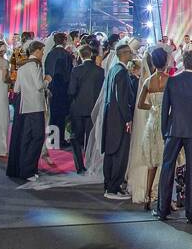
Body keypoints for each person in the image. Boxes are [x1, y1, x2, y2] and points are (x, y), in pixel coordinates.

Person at [156, 49, 192, 223]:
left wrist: (165, 131)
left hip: (174, 130)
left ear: (183, 62)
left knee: (167, 168)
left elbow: (165, 109)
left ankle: (162, 210)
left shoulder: (172, 81)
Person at [129, 47, 171, 208]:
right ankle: (165, 198)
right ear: (165, 62)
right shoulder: (170, 80)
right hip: (166, 123)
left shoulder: (148, 81)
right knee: (167, 161)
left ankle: (147, 195)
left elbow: (140, 104)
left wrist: (153, 107)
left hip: (152, 123)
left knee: (152, 163)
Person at [7, 40, 49, 181]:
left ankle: (25, 168)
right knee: (38, 137)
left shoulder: (22, 66)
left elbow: (17, 88)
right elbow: (39, 85)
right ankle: (29, 170)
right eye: (42, 51)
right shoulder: (35, 65)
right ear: (36, 51)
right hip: (36, 106)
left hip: (25, 106)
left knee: (26, 138)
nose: (42, 54)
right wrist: (47, 80)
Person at [100, 42, 135, 200]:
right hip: (119, 119)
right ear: (124, 54)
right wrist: (128, 119)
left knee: (111, 152)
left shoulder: (113, 70)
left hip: (111, 117)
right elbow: (122, 98)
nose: (131, 54)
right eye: (129, 52)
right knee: (119, 154)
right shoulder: (121, 72)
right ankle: (113, 188)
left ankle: (109, 185)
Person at [68, 44, 103, 174]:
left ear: (80, 55)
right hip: (93, 108)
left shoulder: (76, 70)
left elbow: (71, 90)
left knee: (76, 137)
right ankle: (90, 163)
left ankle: (79, 165)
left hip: (78, 107)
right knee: (91, 137)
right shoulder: (100, 71)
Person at [44, 32, 74, 145]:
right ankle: (60, 139)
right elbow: (69, 73)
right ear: (64, 41)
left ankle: (52, 139)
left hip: (51, 87)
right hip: (62, 88)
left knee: (52, 114)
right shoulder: (66, 55)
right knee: (61, 114)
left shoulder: (50, 54)